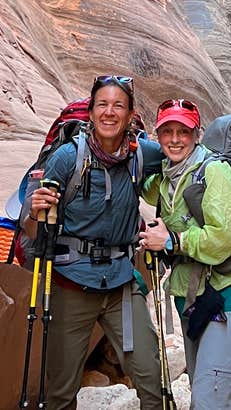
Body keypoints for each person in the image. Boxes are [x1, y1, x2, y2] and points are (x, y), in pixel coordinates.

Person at [22, 74, 164, 410]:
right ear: (91, 111)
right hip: (71, 284)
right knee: (60, 392)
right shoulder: (66, 158)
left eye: (119, 105)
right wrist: (36, 211)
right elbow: (35, 225)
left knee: (151, 377)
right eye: (103, 104)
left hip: (121, 284)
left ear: (131, 115)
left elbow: (180, 156)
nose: (110, 112)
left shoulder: (142, 155)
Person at [138, 98, 231, 410]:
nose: (175, 139)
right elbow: (142, 186)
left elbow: (222, 238)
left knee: (209, 402)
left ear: (198, 134)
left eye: (184, 131)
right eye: (167, 131)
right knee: (220, 399)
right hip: (194, 300)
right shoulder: (166, 178)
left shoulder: (215, 172)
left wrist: (172, 242)